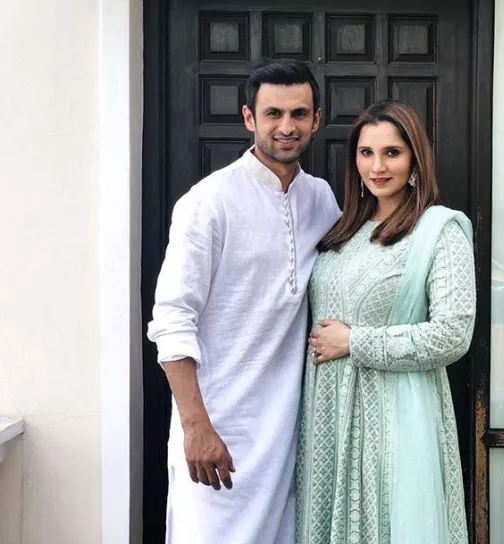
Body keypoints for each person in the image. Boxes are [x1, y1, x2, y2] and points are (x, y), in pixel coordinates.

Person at [147, 59, 340, 544]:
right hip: (217, 431)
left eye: (298, 114)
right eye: (273, 113)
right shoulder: (208, 202)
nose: (286, 126)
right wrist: (195, 426)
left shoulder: (321, 200)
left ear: (316, 119)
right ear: (249, 118)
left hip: (287, 434)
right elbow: (172, 319)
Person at [295, 100, 476, 544]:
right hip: (328, 416)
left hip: (394, 418)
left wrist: (355, 342)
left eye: (392, 152)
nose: (377, 167)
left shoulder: (439, 230)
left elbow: (453, 334)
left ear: (415, 158)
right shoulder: (343, 231)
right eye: (366, 153)